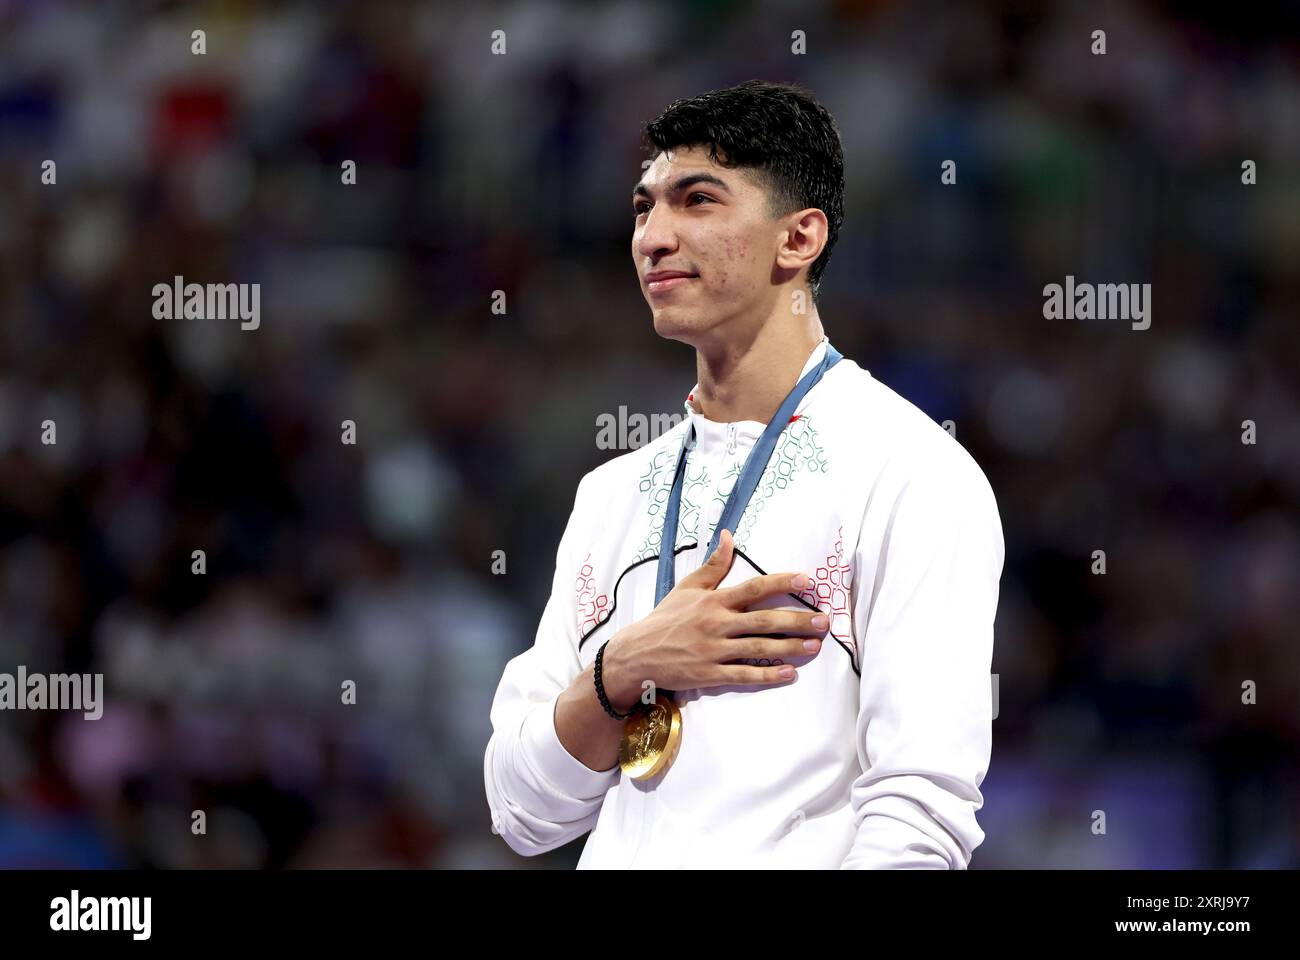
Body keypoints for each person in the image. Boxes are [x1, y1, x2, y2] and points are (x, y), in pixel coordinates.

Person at [484, 79, 1005, 868]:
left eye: (697, 201)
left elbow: (919, 814)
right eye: (642, 206)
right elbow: (522, 808)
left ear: (798, 240)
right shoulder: (611, 496)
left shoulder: (912, 474)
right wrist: (625, 666)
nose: (652, 236)